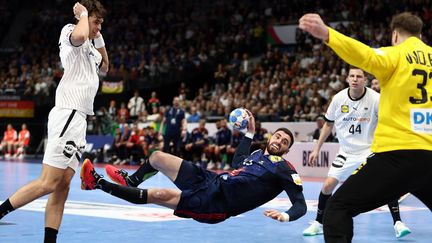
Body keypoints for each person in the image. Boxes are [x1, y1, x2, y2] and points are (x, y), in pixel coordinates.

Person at [299, 12, 432, 242]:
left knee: (338, 208)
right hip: (429, 157)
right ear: (420, 35)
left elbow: (365, 55)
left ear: (394, 35)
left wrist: (328, 34)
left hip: (396, 155)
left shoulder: (396, 54)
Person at [0, 1, 107, 242]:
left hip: (79, 120)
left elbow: (106, 65)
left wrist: (98, 36)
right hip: (68, 112)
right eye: (96, 21)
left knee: (63, 185)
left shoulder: (91, 44)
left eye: (101, 23)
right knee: (48, 182)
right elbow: (80, 33)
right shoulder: (71, 30)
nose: (98, 27)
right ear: (84, 17)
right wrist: (82, 14)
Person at [81, 110, 307, 224]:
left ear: (286, 150)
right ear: (271, 137)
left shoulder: (285, 168)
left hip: (216, 203)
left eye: (284, 142)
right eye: (277, 136)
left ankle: (96, 183)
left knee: (159, 194)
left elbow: (300, 204)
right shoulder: (257, 154)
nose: (279, 141)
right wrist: (249, 134)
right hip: (212, 180)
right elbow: (238, 163)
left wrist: (286, 216)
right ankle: (131, 181)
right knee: (158, 156)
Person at [302, 67, 411, 238]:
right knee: (327, 185)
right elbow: (328, 124)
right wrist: (317, 149)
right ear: (347, 79)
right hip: (346, 152)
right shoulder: (338, 99)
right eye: (352, 76)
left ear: (365, 81)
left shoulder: (376, 99)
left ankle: (398, 222)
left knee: (386, 182)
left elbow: (388, 122)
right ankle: (318, 222)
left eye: (359, 76)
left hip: (369, 150)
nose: (355, 79)